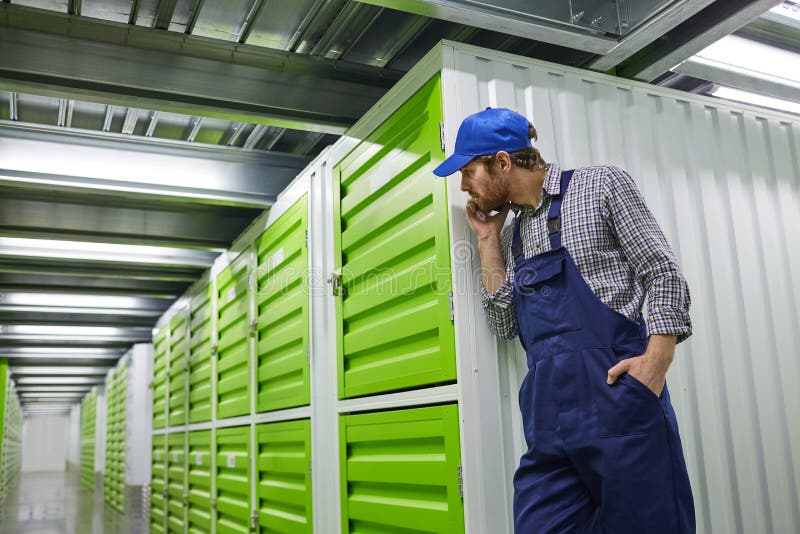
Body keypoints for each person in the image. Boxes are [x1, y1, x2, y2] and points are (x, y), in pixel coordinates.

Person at [433, 108, 695, 533]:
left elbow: (662, 271)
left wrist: (655, 364)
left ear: (502, 162)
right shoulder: (513, 235)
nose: (463, 187)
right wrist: (487, 241)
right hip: (549, 421)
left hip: (619, 405)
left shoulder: (600, 185)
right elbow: (504, 324)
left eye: (468, 171)